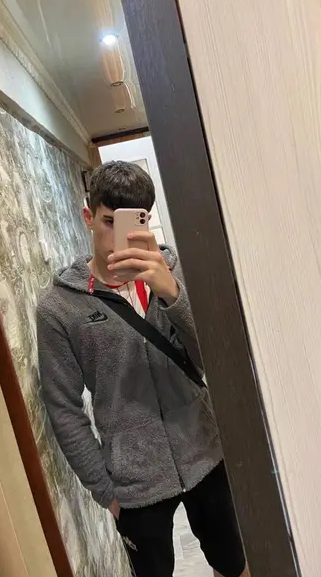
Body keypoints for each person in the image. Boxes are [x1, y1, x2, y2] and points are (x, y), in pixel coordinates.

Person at [37, 160, 249, 577]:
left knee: (234, 564)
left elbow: (216, 360)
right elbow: (62, 407)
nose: (120, 236)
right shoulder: (59, 308)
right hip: (132, 484)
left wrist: (171, 293)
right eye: (108, 222)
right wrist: (106, 491)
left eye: (134, 222)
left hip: (204, 454)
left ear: (146, 220)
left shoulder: (176, 273)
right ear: (88, 216)